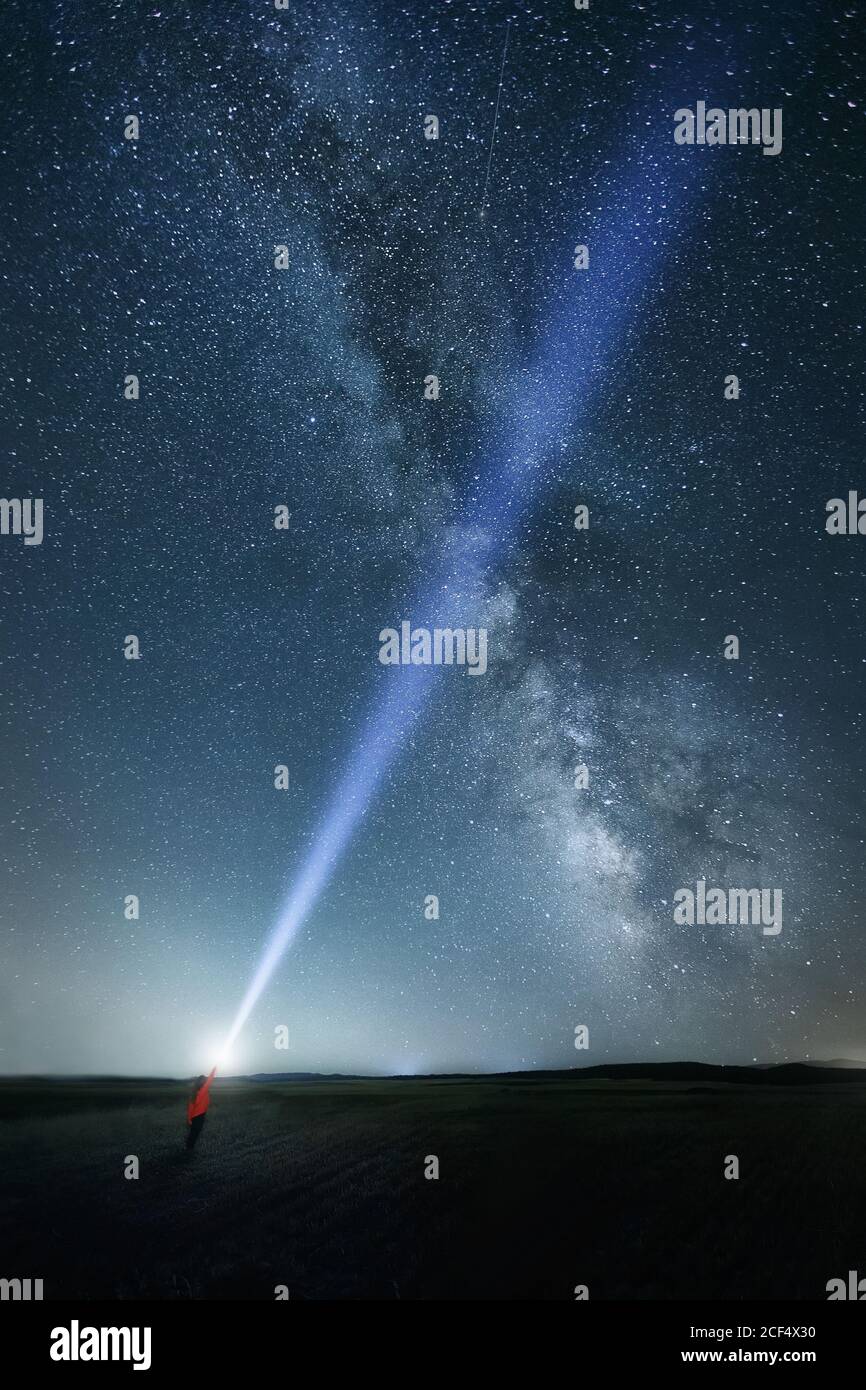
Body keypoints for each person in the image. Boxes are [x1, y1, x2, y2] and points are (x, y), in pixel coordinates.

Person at [186, 1066, 216, 1150]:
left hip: (195, 1117)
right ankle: (189, 1148)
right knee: (196, 1132)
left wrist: (189, 1119)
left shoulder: (194, 1092)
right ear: (202, 1083)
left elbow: (190, 1107)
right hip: (199, 1116)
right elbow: (210, 1080)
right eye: (205, 1080)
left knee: (193, 1132)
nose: (206, 1081)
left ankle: (189, 1146)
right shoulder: (203, 1090)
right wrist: (214, 1068)